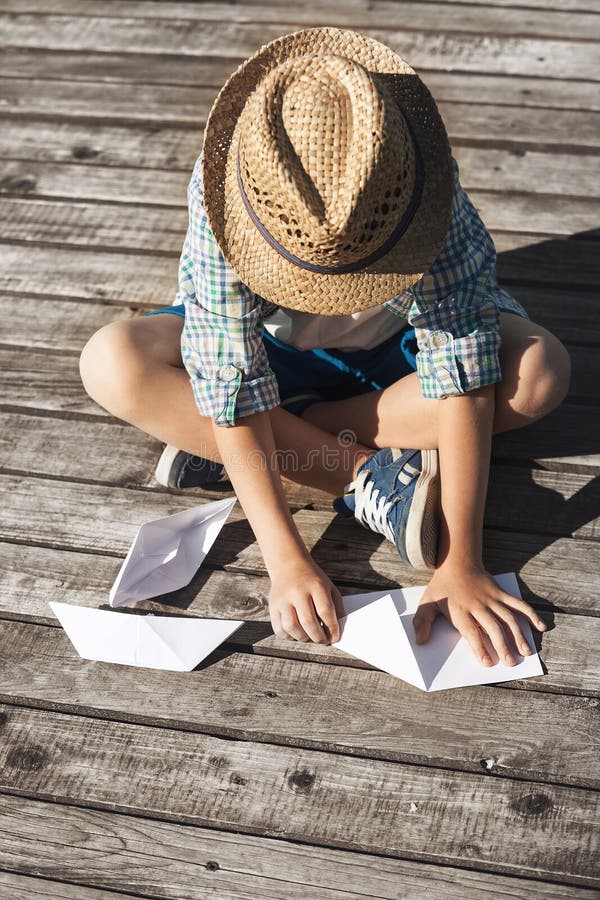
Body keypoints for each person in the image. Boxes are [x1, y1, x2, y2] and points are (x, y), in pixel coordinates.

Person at [79, 27, 570, 668]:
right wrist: (285, 557)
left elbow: (464, 369)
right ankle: (361, 474)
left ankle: (292, 446)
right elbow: (230, 378)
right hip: (272, 355)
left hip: (402, 360)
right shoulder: (228, 189)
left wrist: (462, 562)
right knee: (110, 361)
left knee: (537, 372)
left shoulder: (423, 185)